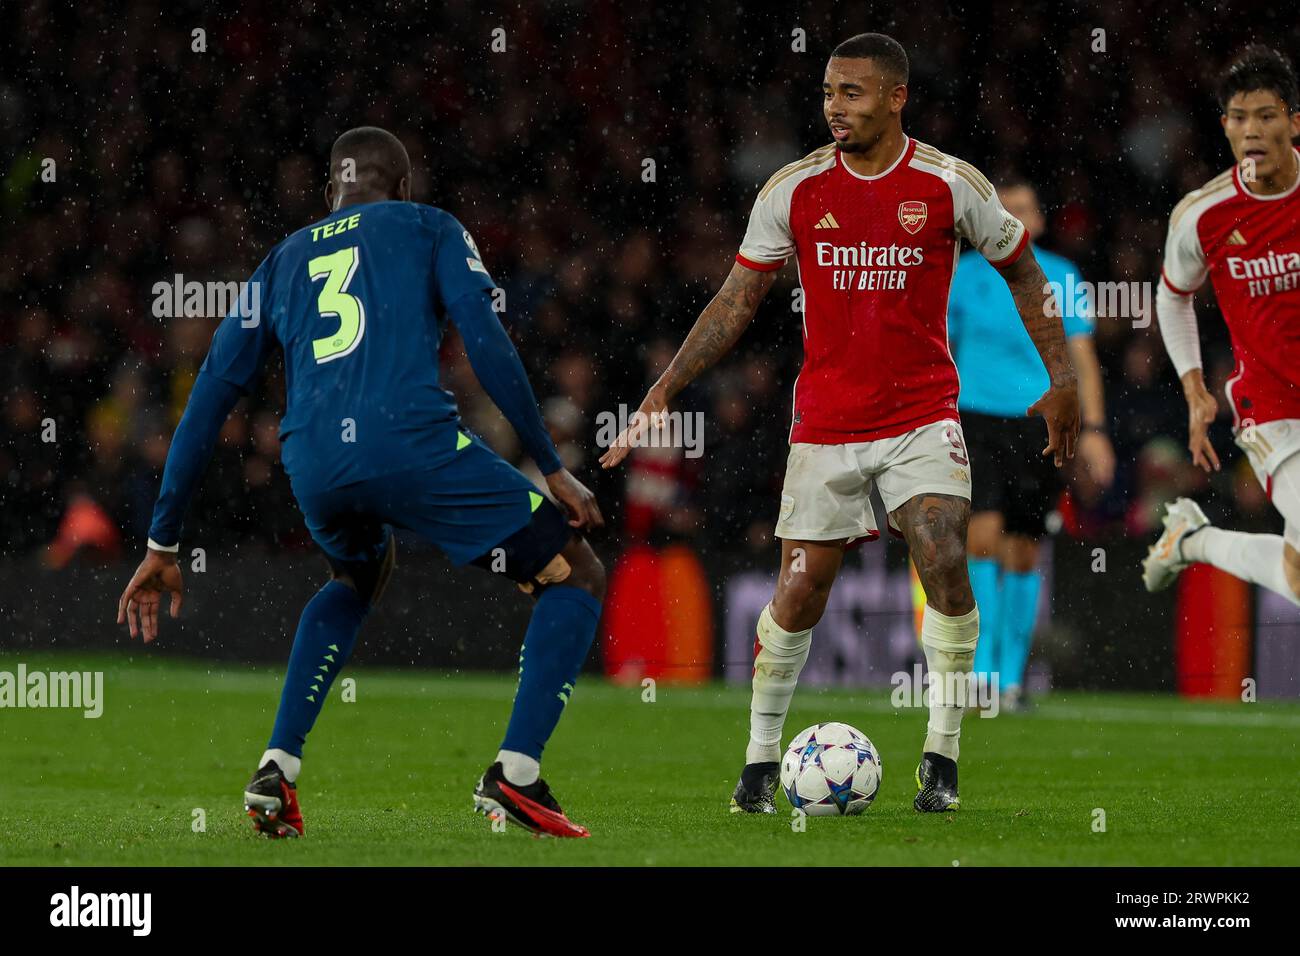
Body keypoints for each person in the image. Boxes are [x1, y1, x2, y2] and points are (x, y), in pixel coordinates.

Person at [601, 34, 1079, 813]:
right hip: (825, 424)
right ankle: (757, 764)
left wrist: (1062, 379)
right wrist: (665, 386)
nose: (835, 107)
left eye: (853, 93)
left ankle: (943, 758)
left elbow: (1022, 266)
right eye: (828, 92)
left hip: (923, 415)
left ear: (896, 98)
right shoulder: (792, 191)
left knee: (943, 555)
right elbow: (735, 300)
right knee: (800, 589)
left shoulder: (950, 184)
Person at [115, 127, 606, 839]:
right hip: (410, 441)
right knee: (576, 572)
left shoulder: (282, 260)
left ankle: (277, 766)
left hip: (312, 461)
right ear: (401, 187)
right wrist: (549, 463)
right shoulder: (427, 225)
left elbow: (208, 401)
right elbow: (485, 337)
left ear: (328, 196)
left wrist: (163, 539)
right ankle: (516, 774)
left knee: (357, 576)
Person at [948, 178, 1115, 711]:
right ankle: (982, 673)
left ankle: (1011, 678)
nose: (1014, 219)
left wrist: (1093, 431)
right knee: (980, 536)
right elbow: (940, 348)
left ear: (1039, 221)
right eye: (1005, 210)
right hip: (975, 416)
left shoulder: (1062, 276)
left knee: (1023, 547)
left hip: (1039, 420)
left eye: (1023, 210)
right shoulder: (963, 276)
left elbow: (1082, 356)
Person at [1144, 46, 1300, 608]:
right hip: (1271, 408)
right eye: (1239, 117)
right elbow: (1171, 297)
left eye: (1266, 115)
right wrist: (1193, 388)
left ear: (1294, 122)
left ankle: (1195, 540)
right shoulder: (1202, 214)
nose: (1252, 130)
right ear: (1225, 127)